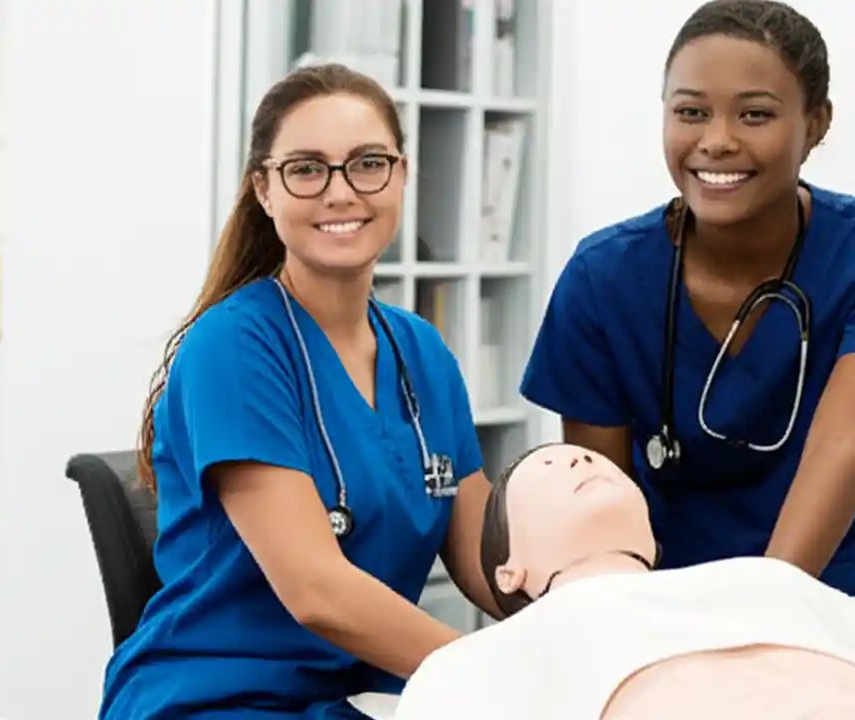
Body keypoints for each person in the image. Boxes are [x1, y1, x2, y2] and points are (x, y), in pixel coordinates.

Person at [97, 63, 498, 719]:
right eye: (307, 169)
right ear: (264, 188)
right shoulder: (232, 348)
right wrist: (492, 674)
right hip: (220, 700)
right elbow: (317, 590)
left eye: (368, 164)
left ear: (401, 174)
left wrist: (593, 625)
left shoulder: (421, 352)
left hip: (368, 699)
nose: (340, 192)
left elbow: (488, 563)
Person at [521, 0, 855, 593]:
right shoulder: (605, 279)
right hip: (667, 615)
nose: (716, 141)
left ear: (818, 123)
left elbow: (844, 446)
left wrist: (756, 623)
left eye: (754, 114)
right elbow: (604, 516)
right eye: (691, 112)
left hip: (832, 610)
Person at [393, 442, 855, 719]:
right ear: (510, 572)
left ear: (653, 541)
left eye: (593, 459)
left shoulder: (766, 580)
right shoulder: (477, 660)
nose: (581, 463)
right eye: (550, 469)